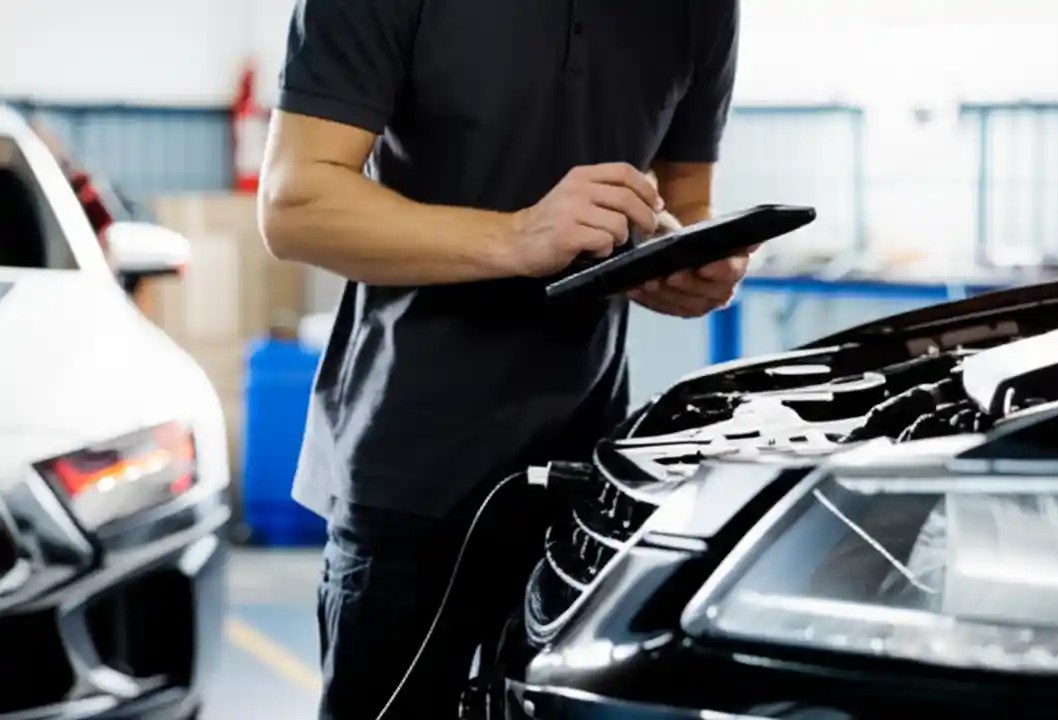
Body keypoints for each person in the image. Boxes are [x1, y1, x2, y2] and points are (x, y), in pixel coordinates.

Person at [258, 1, 742, 717]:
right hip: (408, 476)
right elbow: (293, 204)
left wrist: (687, 257)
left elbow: (685, 201)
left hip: (592, 486)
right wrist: (518, 237)